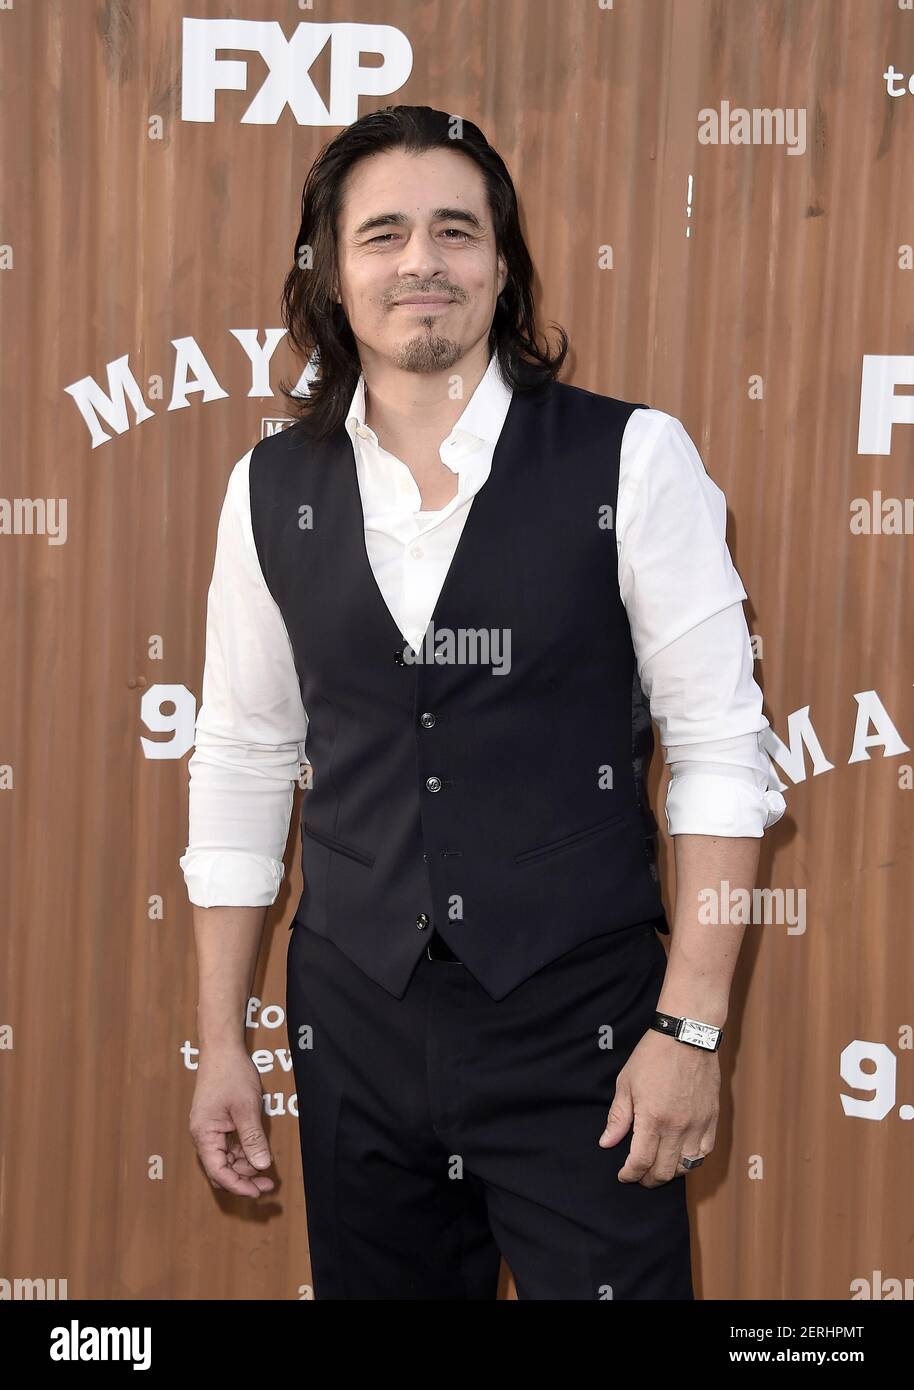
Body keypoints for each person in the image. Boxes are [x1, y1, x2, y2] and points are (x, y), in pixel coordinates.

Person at [180, 105, 786, 1300]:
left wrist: (692, 1032)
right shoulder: (267, 487)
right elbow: (244, 756)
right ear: (331, 270)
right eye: (383, 233)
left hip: (587, 1037)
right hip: (352, 1024)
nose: (421, 261)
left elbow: (721, 753)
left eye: (455, 231)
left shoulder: (632, 458)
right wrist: (222, 1043)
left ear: (500, 265)